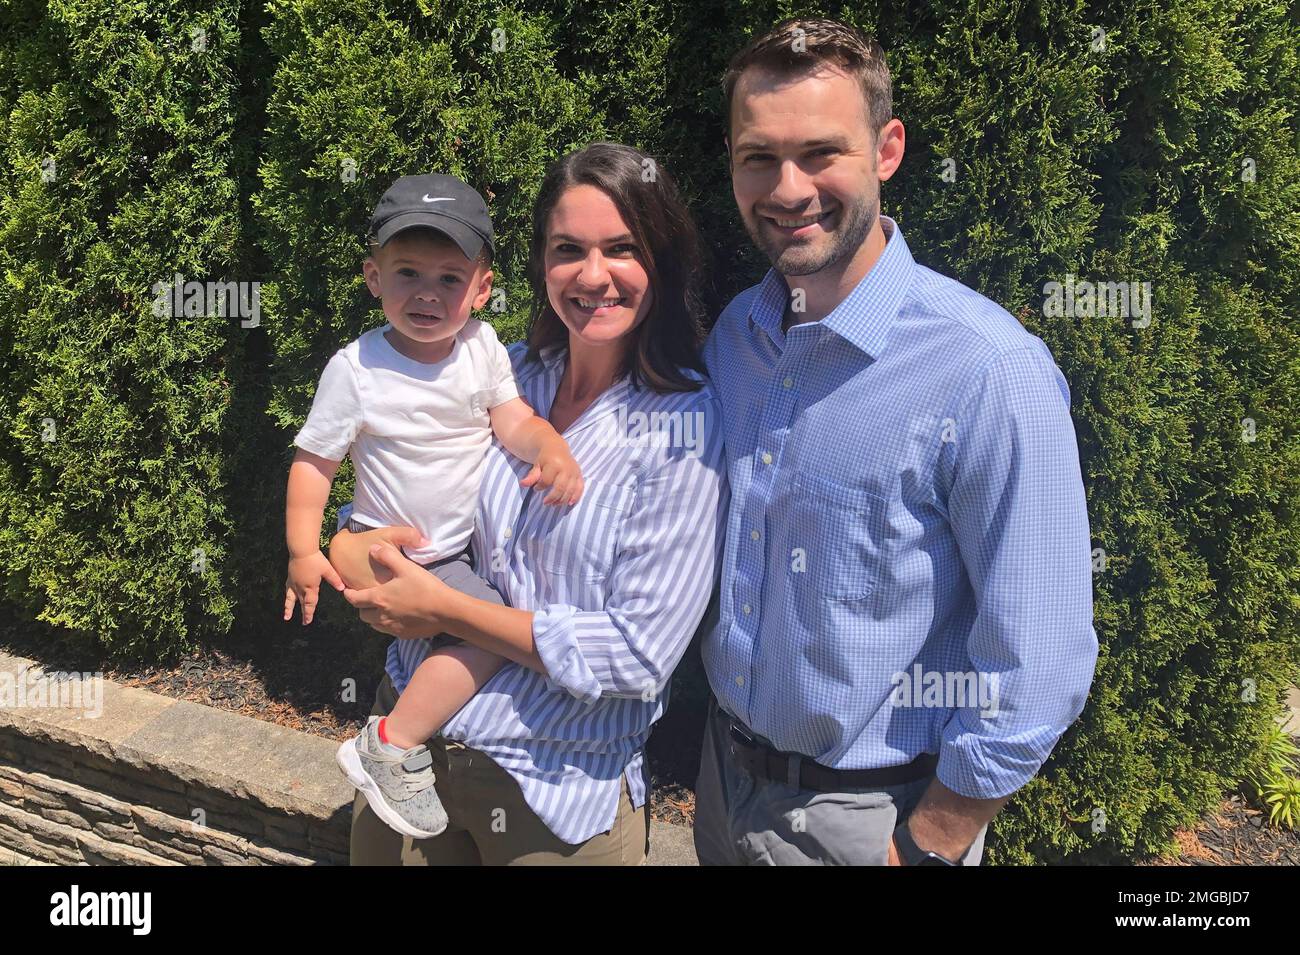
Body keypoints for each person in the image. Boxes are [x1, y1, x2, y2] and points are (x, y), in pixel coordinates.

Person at [695, 17, 1099, 866]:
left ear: (886, 150)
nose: (789, 187)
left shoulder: (988, 371)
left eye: (821, 153)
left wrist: (929, 845)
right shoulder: (737, 336)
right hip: (721, 783)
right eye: (758, 157)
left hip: (871, 821)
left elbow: (1042, 657)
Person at [332, 142, 728, 865]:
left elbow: (637, 655)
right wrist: (346, 544)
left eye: (622, 249)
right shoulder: (500, 370)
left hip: (554, 796)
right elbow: (401, 477)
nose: (593, 274)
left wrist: (448, 610)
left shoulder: (685, 430)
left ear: (662, 264)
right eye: (568, 248)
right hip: (407, 756)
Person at [284, 173, 583, 839]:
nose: (427, 293)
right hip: (386, 548)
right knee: (495, 632)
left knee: (481, 630)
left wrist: (549, 445)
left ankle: (402, 737)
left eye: (450, 279)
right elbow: (315, 462)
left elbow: (512, 418)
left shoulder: (480, 349)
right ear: (373, 276)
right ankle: (391, 742)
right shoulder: (356, 368)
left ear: (482, 288)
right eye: (407, 272)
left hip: (448, 553)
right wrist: (305, 550)